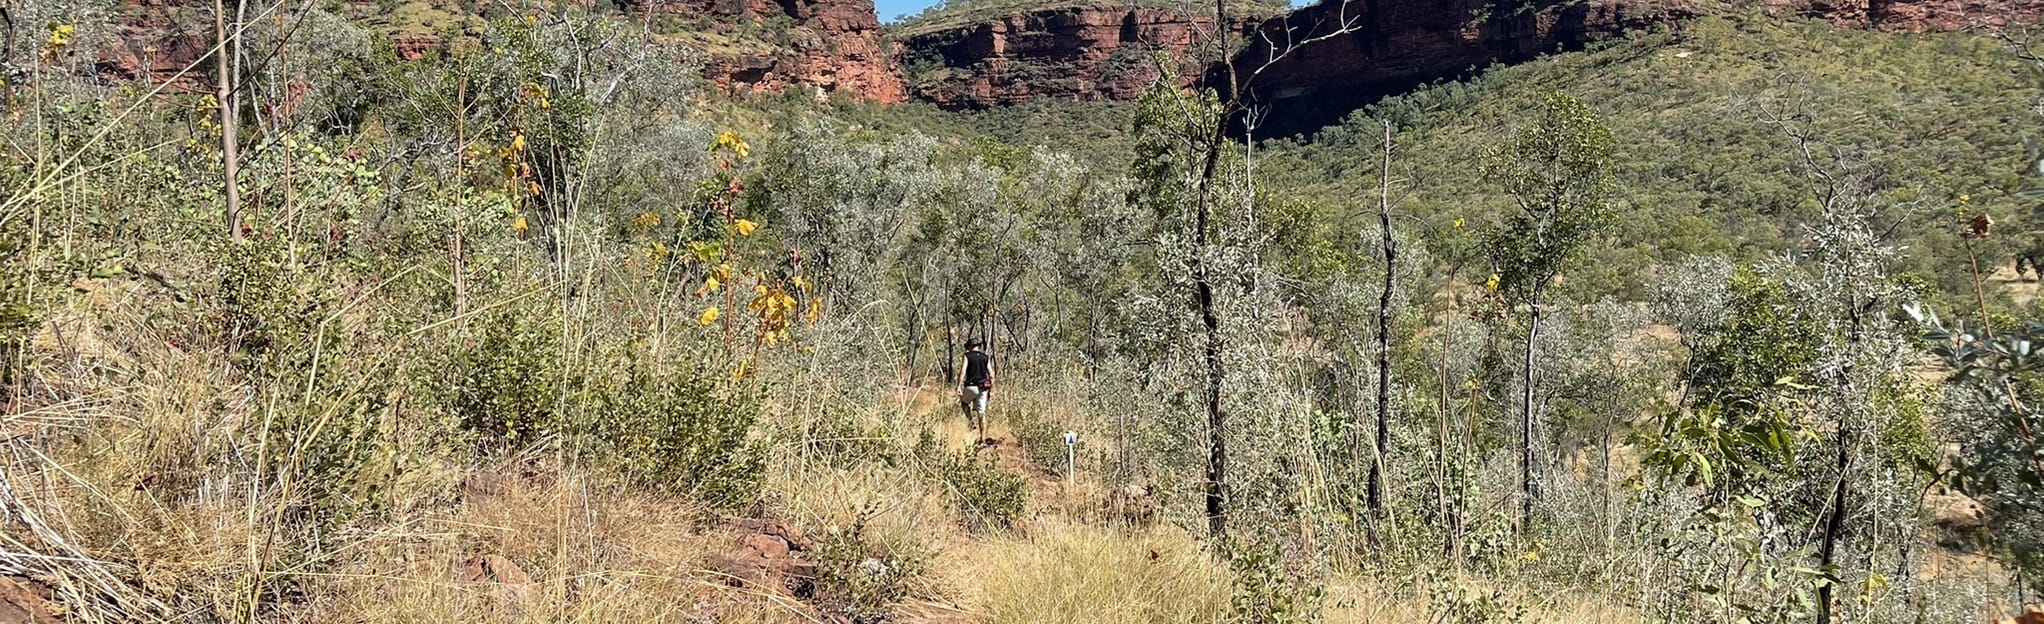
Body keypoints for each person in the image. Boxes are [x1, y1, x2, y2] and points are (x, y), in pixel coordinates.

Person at [959, 337, 993, 441]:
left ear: (970, 346)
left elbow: (963, 371)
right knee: (981, 413)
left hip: (971, 386)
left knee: (964, 403)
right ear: (978, 346)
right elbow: (992, 375)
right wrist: (991, 391)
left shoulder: (967, 356)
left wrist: (958, 386)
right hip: (983, 388)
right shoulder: (985, 357)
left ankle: (970, 422)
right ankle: (983, 439)